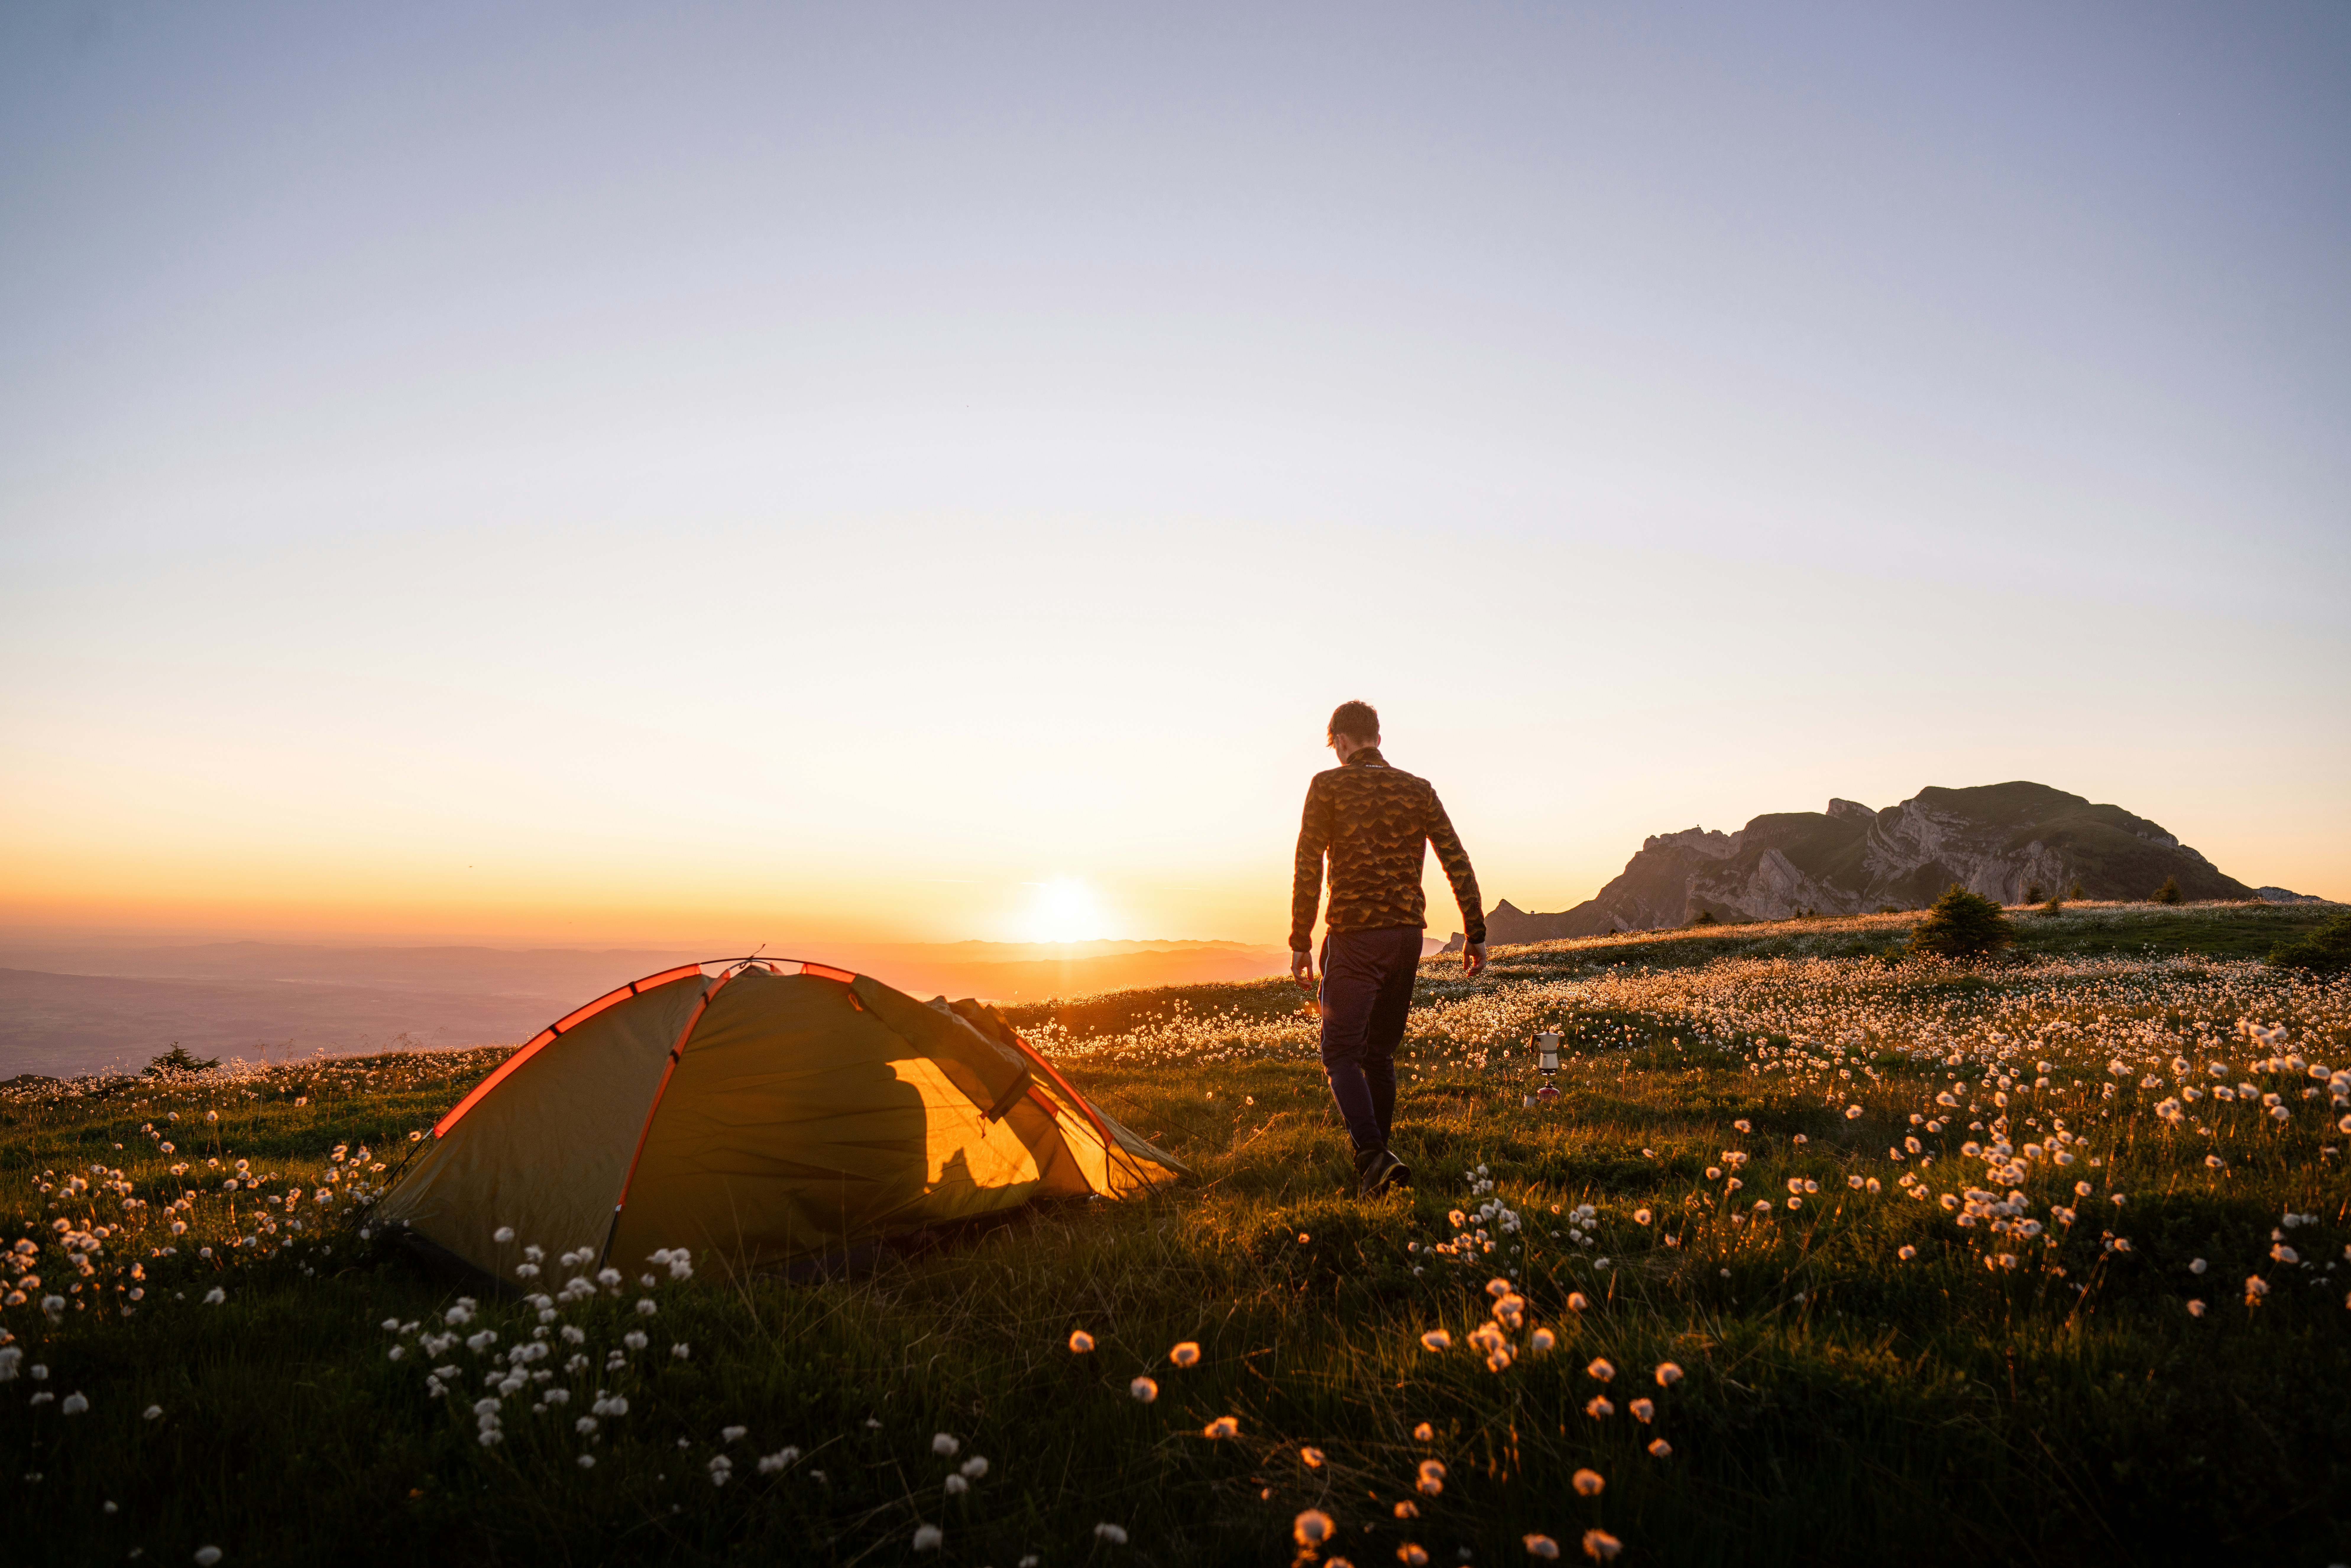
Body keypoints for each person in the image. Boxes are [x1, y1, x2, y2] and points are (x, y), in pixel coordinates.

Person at [1289, 700, 1487, 1197]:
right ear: (1376, 736)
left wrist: (1300, 939)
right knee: (1379, 1053)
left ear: (1341, 740)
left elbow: (1308, 862)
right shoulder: (1418, 790)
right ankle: (1380, 1168)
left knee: (1339, 1053)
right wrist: (1476, 933)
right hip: (1406, 938)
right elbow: (1455, 859)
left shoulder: (1328, 785)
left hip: (1355, 937)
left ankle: (1373, 1155)